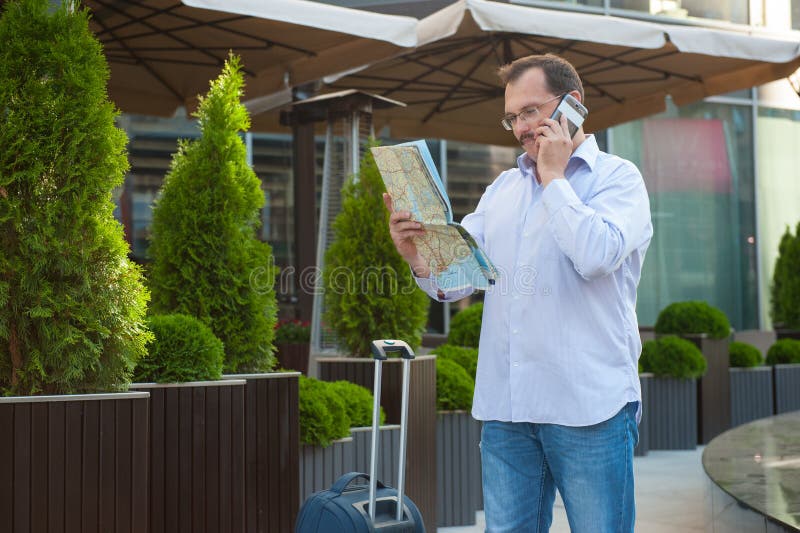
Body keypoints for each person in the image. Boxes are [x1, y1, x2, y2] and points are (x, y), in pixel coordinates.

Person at [383, 53, 653, 532]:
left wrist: (554, 177)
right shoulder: (503, 188)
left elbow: (595, 256)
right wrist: (418, 257)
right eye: (512, 117)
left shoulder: (619, 179)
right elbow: (462, 274)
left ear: (572, 104)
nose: (521, 128)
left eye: (531, 112)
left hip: (588, 408)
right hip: (508, 410)